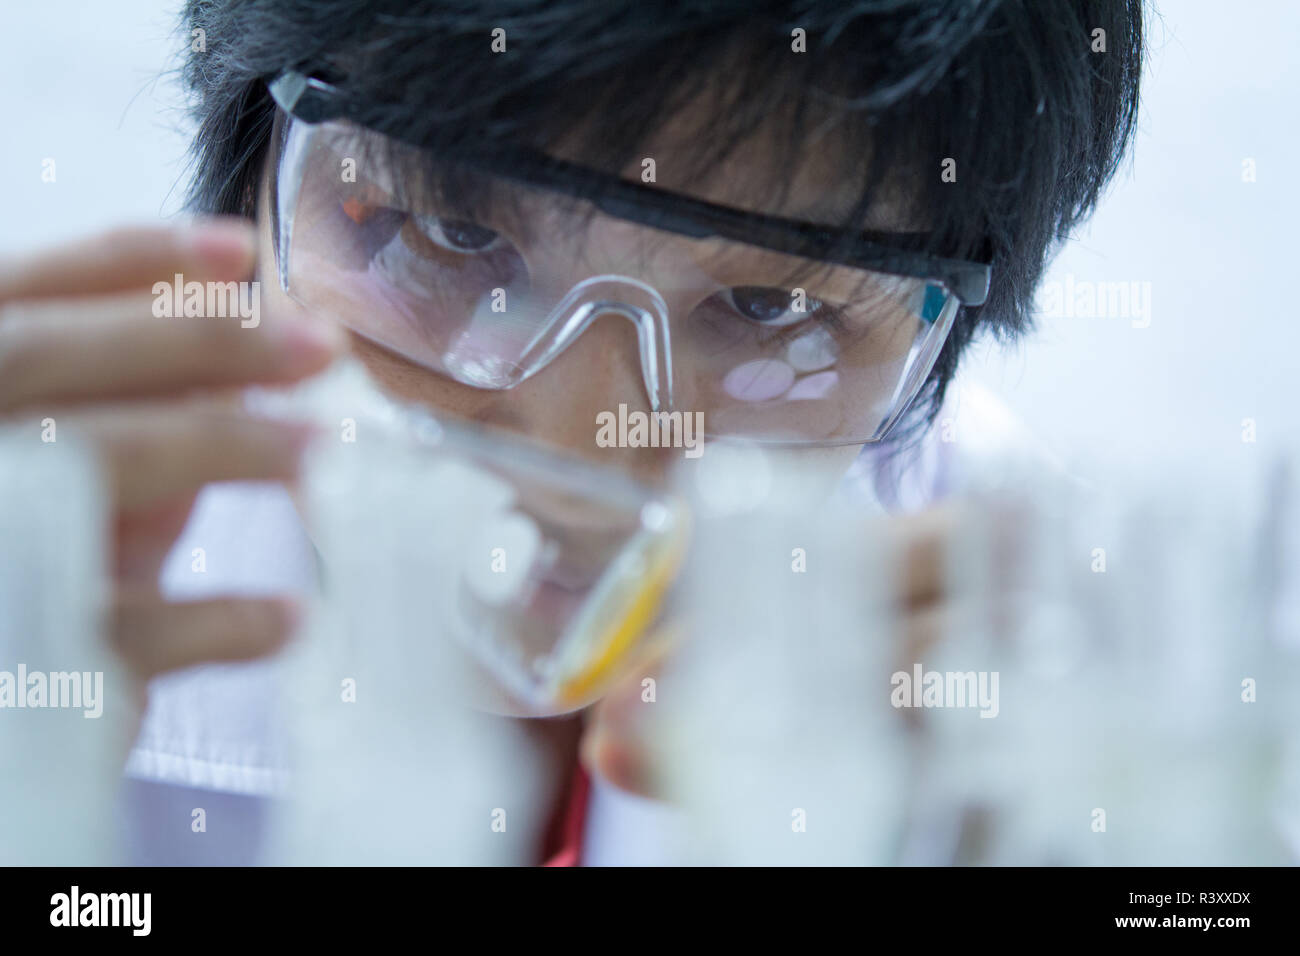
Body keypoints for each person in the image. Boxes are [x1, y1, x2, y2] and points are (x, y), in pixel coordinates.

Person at [0, 0, 1144, 864]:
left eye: (768, 308)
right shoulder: (41, 538)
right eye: (445, 233)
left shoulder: (1069, 664)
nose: (579, 450)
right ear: (247, 183)